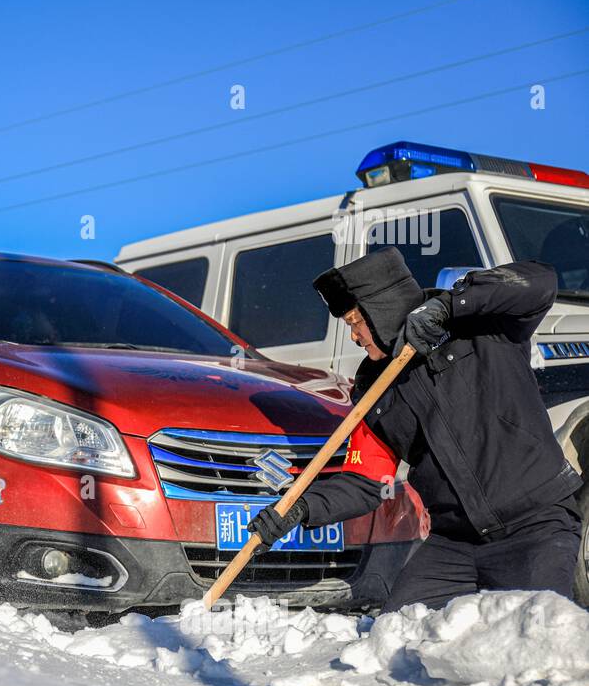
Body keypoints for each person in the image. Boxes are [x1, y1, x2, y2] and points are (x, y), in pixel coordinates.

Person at [247, 247, 584, 611]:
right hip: (455, 544)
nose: (355, 337)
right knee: (399, 636)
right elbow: (365, 481)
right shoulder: (373, 388)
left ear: (382, 309)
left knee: (535, 638)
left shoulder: (478, 326)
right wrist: (301, 508)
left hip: (535, 527)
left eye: (354, 323)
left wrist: (449, 306)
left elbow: (540, 280)